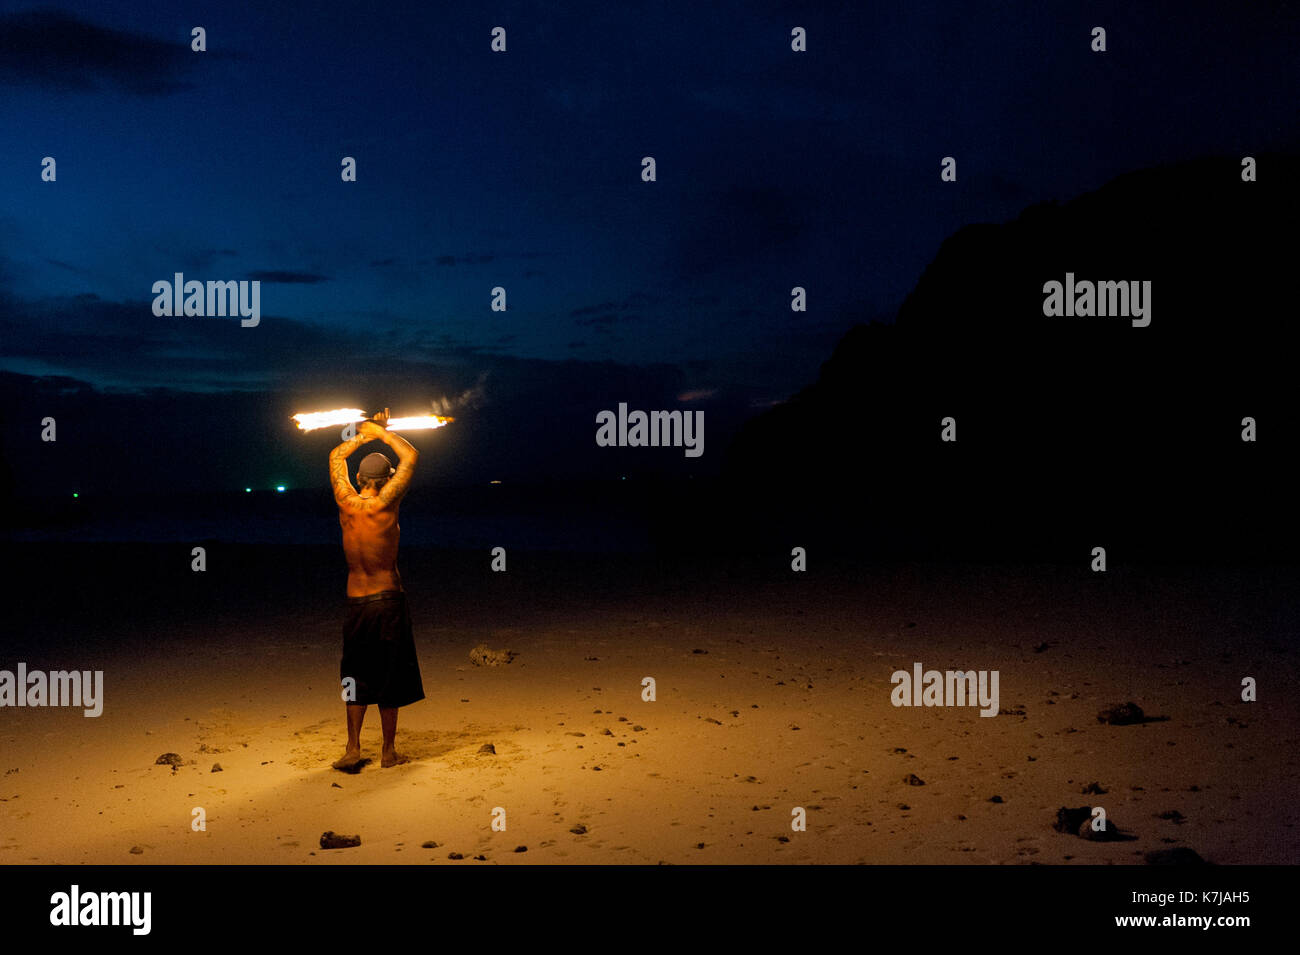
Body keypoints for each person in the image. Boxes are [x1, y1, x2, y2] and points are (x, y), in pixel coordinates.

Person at [327, 408, 423, 770]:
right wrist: (383, 432)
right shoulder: (387, 502)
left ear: (358, 478)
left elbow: (336, 455)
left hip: (356, 601)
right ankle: (387, 752)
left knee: (355, 673)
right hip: (387, 599)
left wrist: (365, 433)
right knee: (390, 673)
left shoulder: (345, 501)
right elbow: (411, 455)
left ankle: (353, 748)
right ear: (387, 481)